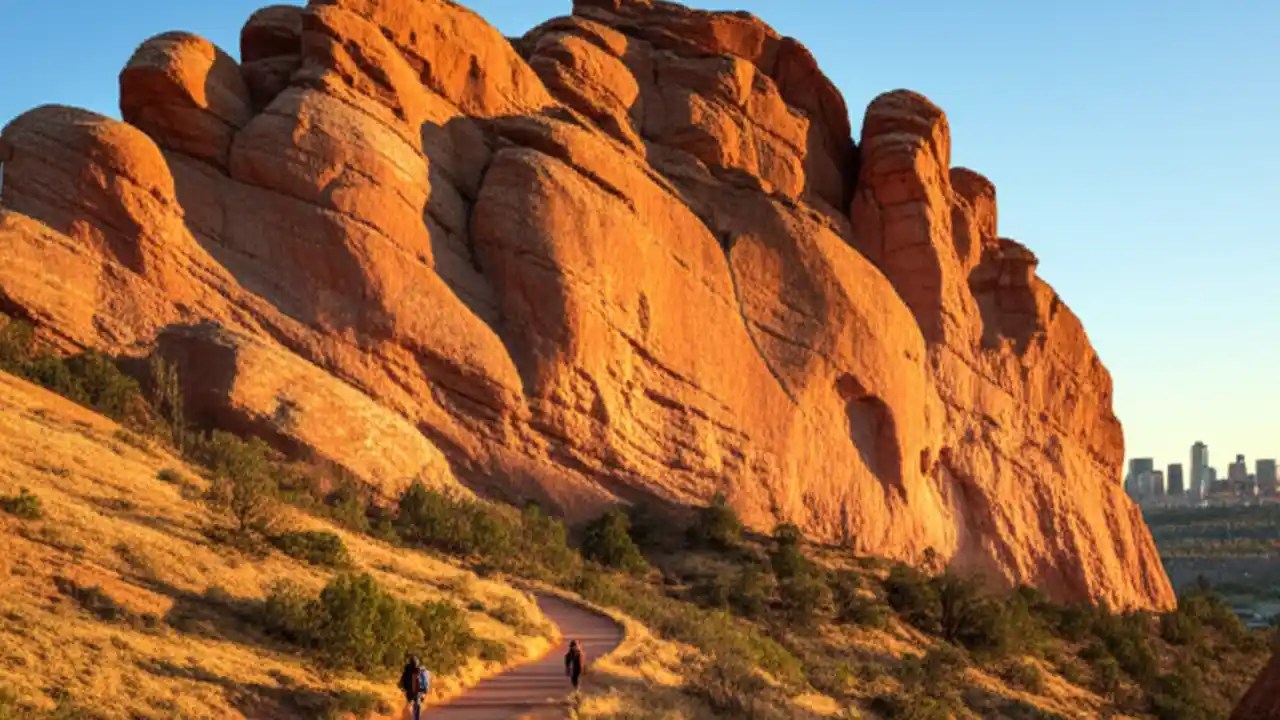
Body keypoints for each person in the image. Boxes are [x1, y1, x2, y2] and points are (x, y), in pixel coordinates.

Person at [399, 655, 430, 720]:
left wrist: (402, 687)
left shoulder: (407, 670)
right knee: (417, 704)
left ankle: (412, 717)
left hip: (411, 691)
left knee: (410, 705)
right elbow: (425, 681)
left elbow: (402, 681)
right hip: (418, 691)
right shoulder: (421, 670)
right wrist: (425, 689)